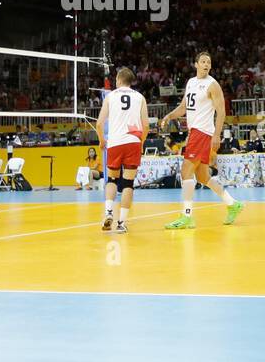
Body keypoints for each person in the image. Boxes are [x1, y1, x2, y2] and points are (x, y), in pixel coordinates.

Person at [160, 52, 245, 229]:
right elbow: (184, 107)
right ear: (196, 64)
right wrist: (169, 116)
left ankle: (187, 216)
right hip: (194, 132)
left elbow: (221, 112)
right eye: (203, 61)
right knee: (203, 176)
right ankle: (232, 203)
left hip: (203, 132)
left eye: (209, 62)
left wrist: (217, 135)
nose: (206, 64)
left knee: (186, 171)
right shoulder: (191, 82)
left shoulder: (212, 85)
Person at [95, 67, 149, 234]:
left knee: (111, 180)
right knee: (128, 184)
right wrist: (141, 141)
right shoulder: (140, 97)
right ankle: (121, 223)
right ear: (131, 81)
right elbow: (146, 125)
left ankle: (108, 213)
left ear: (118, 80)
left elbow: (99, 123)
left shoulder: (110, 96)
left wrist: (102, 140)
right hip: (133, 141)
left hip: (115, 142)